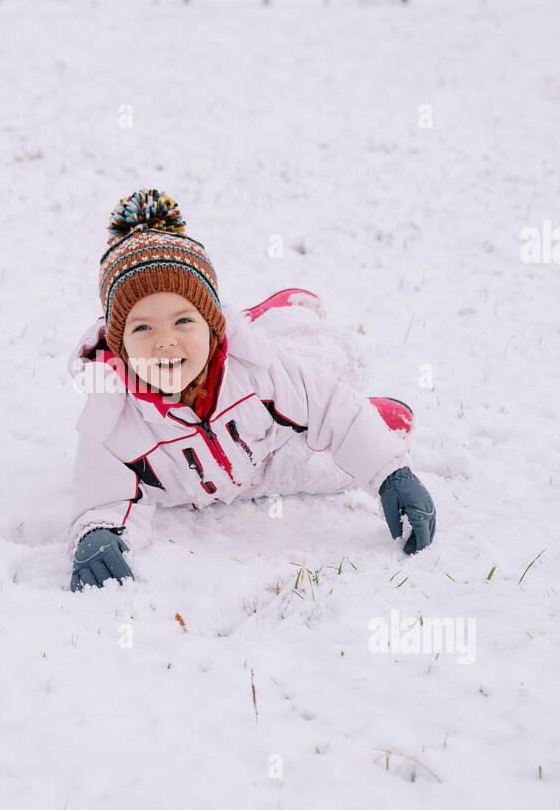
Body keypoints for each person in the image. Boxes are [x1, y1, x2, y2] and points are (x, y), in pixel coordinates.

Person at [67, 190, 436, 591]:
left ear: (213, 324)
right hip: (259, 468)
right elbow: (103, 495)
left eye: (183, 322)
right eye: (142, 328)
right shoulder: (110, 417)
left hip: (262, 432)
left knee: (333, 356)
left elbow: (328, 403)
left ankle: (283, 314)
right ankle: (368, 417)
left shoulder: (254, 368)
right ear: (119, 343)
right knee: (327, 472)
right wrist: (99, 534)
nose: (165, 341)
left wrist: (389, 471)